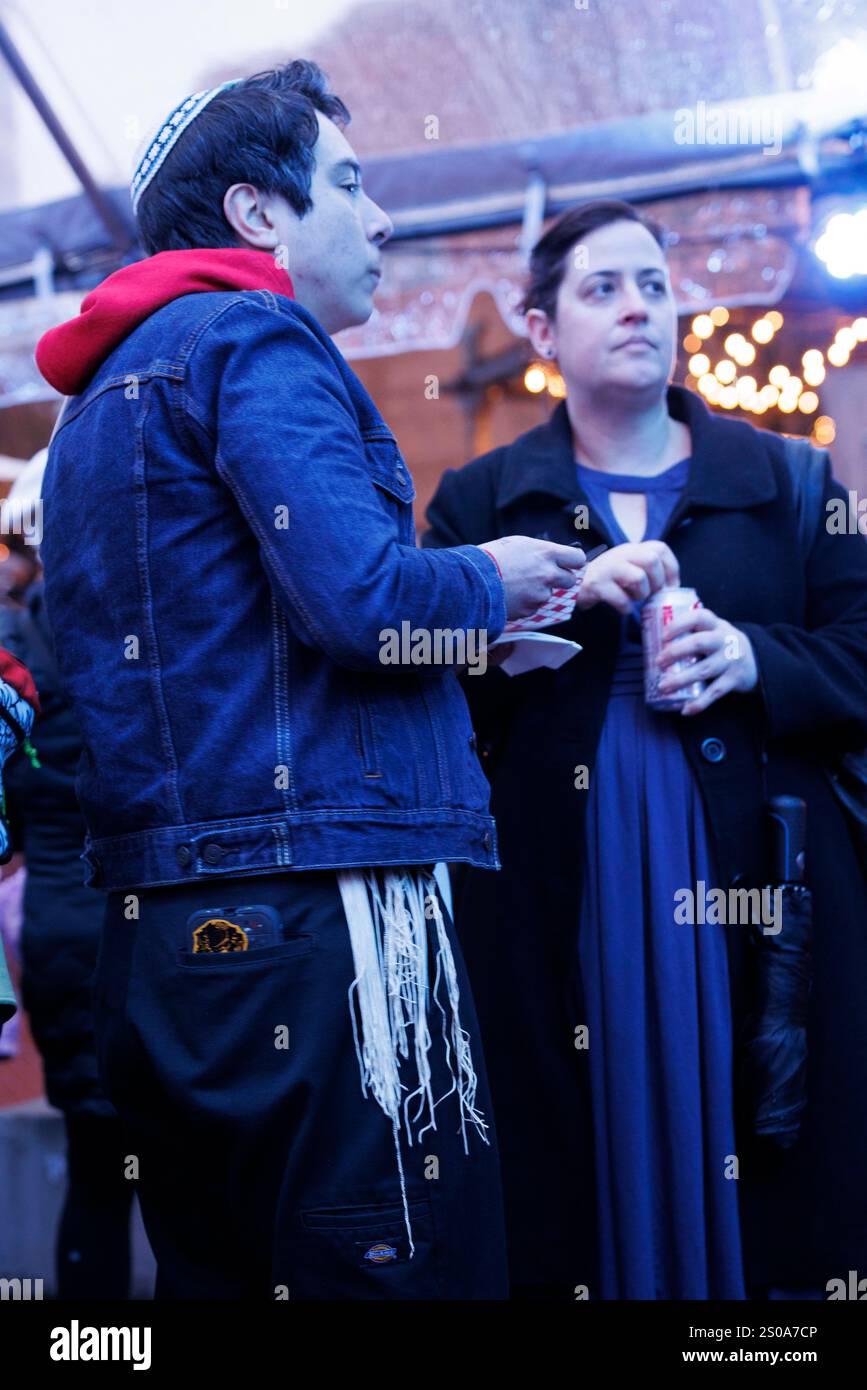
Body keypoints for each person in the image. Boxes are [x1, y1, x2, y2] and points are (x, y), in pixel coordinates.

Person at [34, 61, 585, 1300]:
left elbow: (227, 645)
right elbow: (364, 602)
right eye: (348, 182)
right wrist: (491, 579)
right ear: (256, 216)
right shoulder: (253, 333)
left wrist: (465, 644)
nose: (382, 218)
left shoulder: (90, 404)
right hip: (317, 928)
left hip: (167, 944)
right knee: (400, 1272)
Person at [423, 199, 867, 1300]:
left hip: (757, 868)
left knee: (764, 1129)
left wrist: (755, 659)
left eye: (655, 285)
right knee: (574, 1132)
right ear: (541, 331)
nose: (638, 308)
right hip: (562, 870)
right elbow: (419, 684)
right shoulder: (478, 498)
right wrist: (554, 603)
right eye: (604, 288)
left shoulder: (795, 480)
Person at [0, 567, 135, 1300]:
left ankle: (97, 1346)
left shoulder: (17, 655)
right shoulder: (145, 630)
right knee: (200, 1169)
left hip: (56, 933)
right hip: (153, 919)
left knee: (94, 1167)